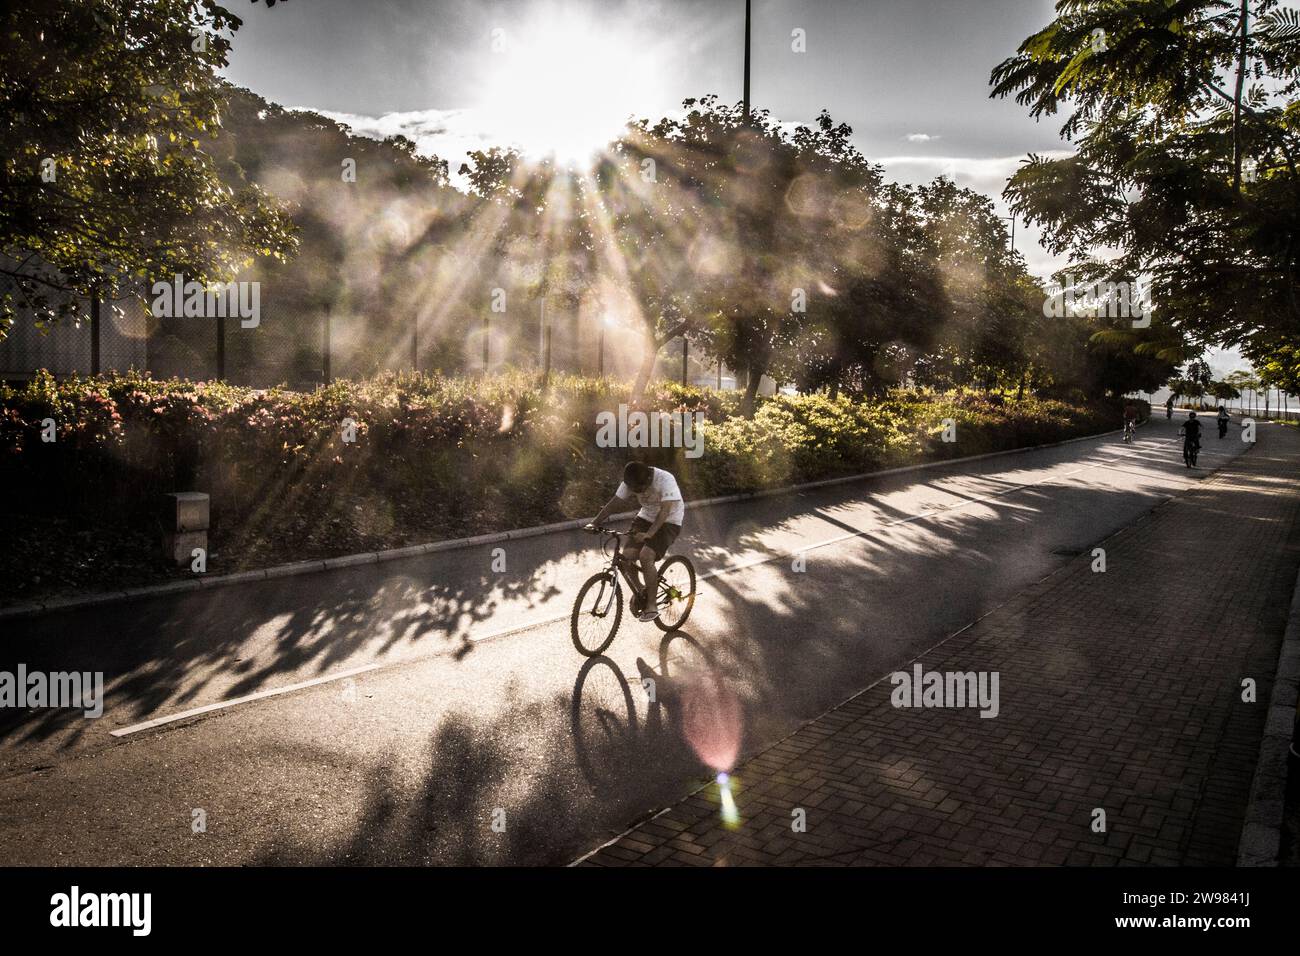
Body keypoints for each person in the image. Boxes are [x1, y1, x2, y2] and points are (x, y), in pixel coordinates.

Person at [587, 461, 686, 622]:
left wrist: (649, 534)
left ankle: (652, 606)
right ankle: (642, 592)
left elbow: (665, 511)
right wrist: (595, 522)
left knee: (646, 556)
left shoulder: (665, 480)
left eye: (638, 490)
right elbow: (615, 503)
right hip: (645, 517)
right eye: (633, 490)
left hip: (670, 520)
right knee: (626, 558)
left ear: (648, 480)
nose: (635, 492)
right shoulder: (631, 481)